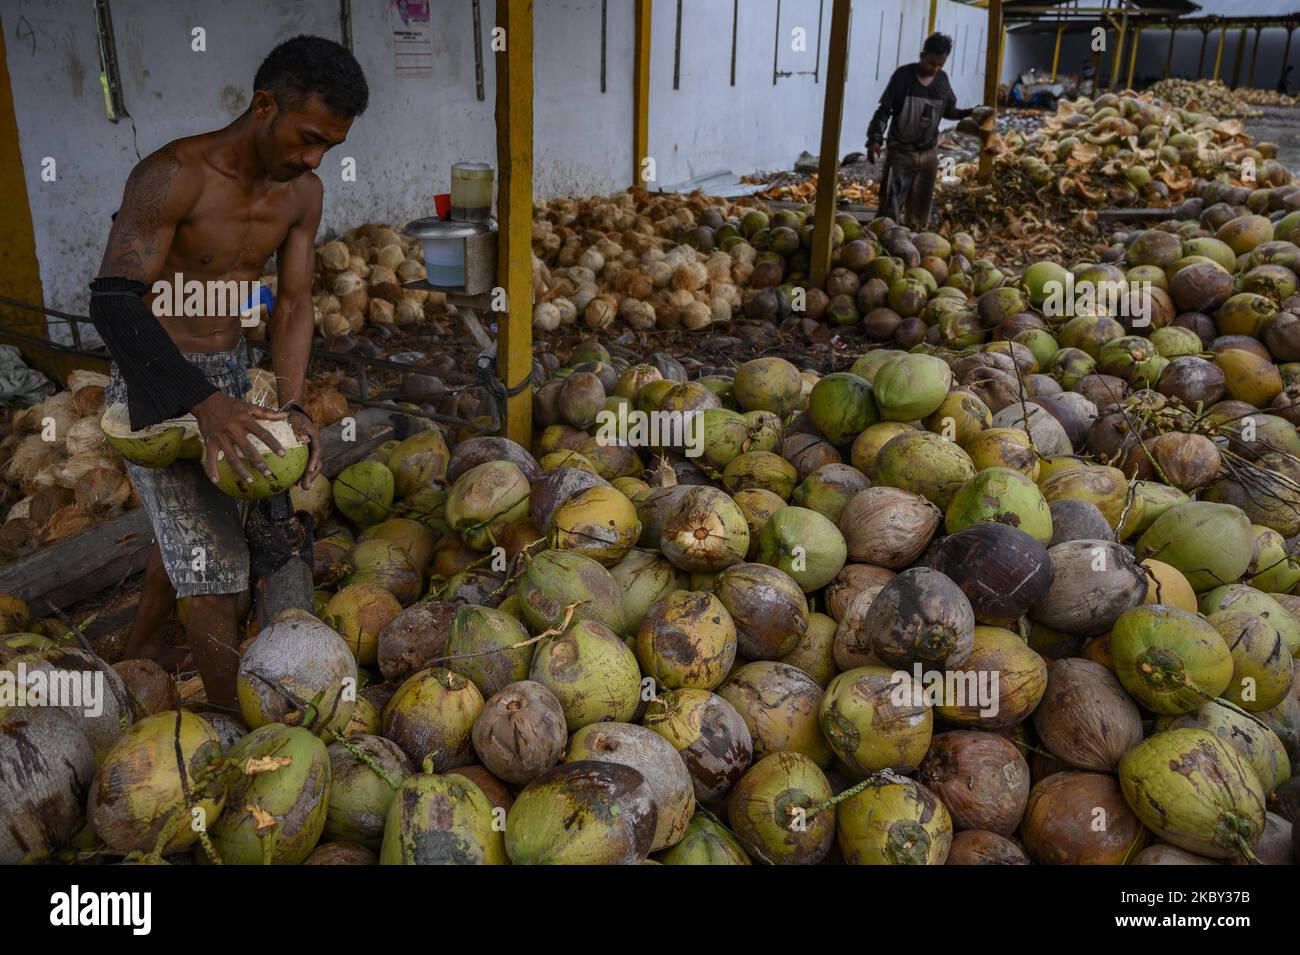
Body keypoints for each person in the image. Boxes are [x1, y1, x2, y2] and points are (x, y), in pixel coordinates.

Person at [90, 35, 368, 708]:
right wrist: (203, 403)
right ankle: (230, 725)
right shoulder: (173, 174)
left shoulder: (302, 194)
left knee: (227, 524)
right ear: (264, 105)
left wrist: (294, 402)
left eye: (329, 147)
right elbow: (113, 302)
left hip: (232, 373)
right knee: (216, 572)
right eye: (306, 137)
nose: (312, 158)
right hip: (157, 378)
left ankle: (142, 647)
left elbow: (295, 302)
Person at [867, 33, 974, 230]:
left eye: (939, 65)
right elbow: (884, 111)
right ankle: (884, 240)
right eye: (931, 63)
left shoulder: (942, 80)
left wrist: (970, 113)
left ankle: (915, 243)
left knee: (920, 208)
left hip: (928, 154)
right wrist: (874, 139)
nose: (934, 69)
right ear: (922, 55)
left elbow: (949, 111)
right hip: (901, 153)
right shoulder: (903, 76)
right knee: (890, 205)